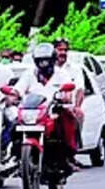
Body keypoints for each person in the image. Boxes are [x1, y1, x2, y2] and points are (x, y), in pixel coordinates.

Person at [11, 43, 76, 172]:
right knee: (13, 126)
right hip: (33, 111)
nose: (43, 64)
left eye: (46, 61)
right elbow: (18, 89)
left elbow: (68, 90)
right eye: (40, 61)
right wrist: (13, 95)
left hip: (53, 110)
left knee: (68, 121)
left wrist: (65, 97)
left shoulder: (61, 74)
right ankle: (15, 156)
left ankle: (68, 156)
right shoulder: (30, 74)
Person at [52, 38, 85, 169]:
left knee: (76, 116)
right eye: (60, 49)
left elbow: (79, 89)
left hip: (66, 106)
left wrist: (77, 106)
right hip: (45, 107)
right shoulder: (43, 68)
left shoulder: (74, 69)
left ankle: (70, 154)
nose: (63, 53)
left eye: (65, 50)